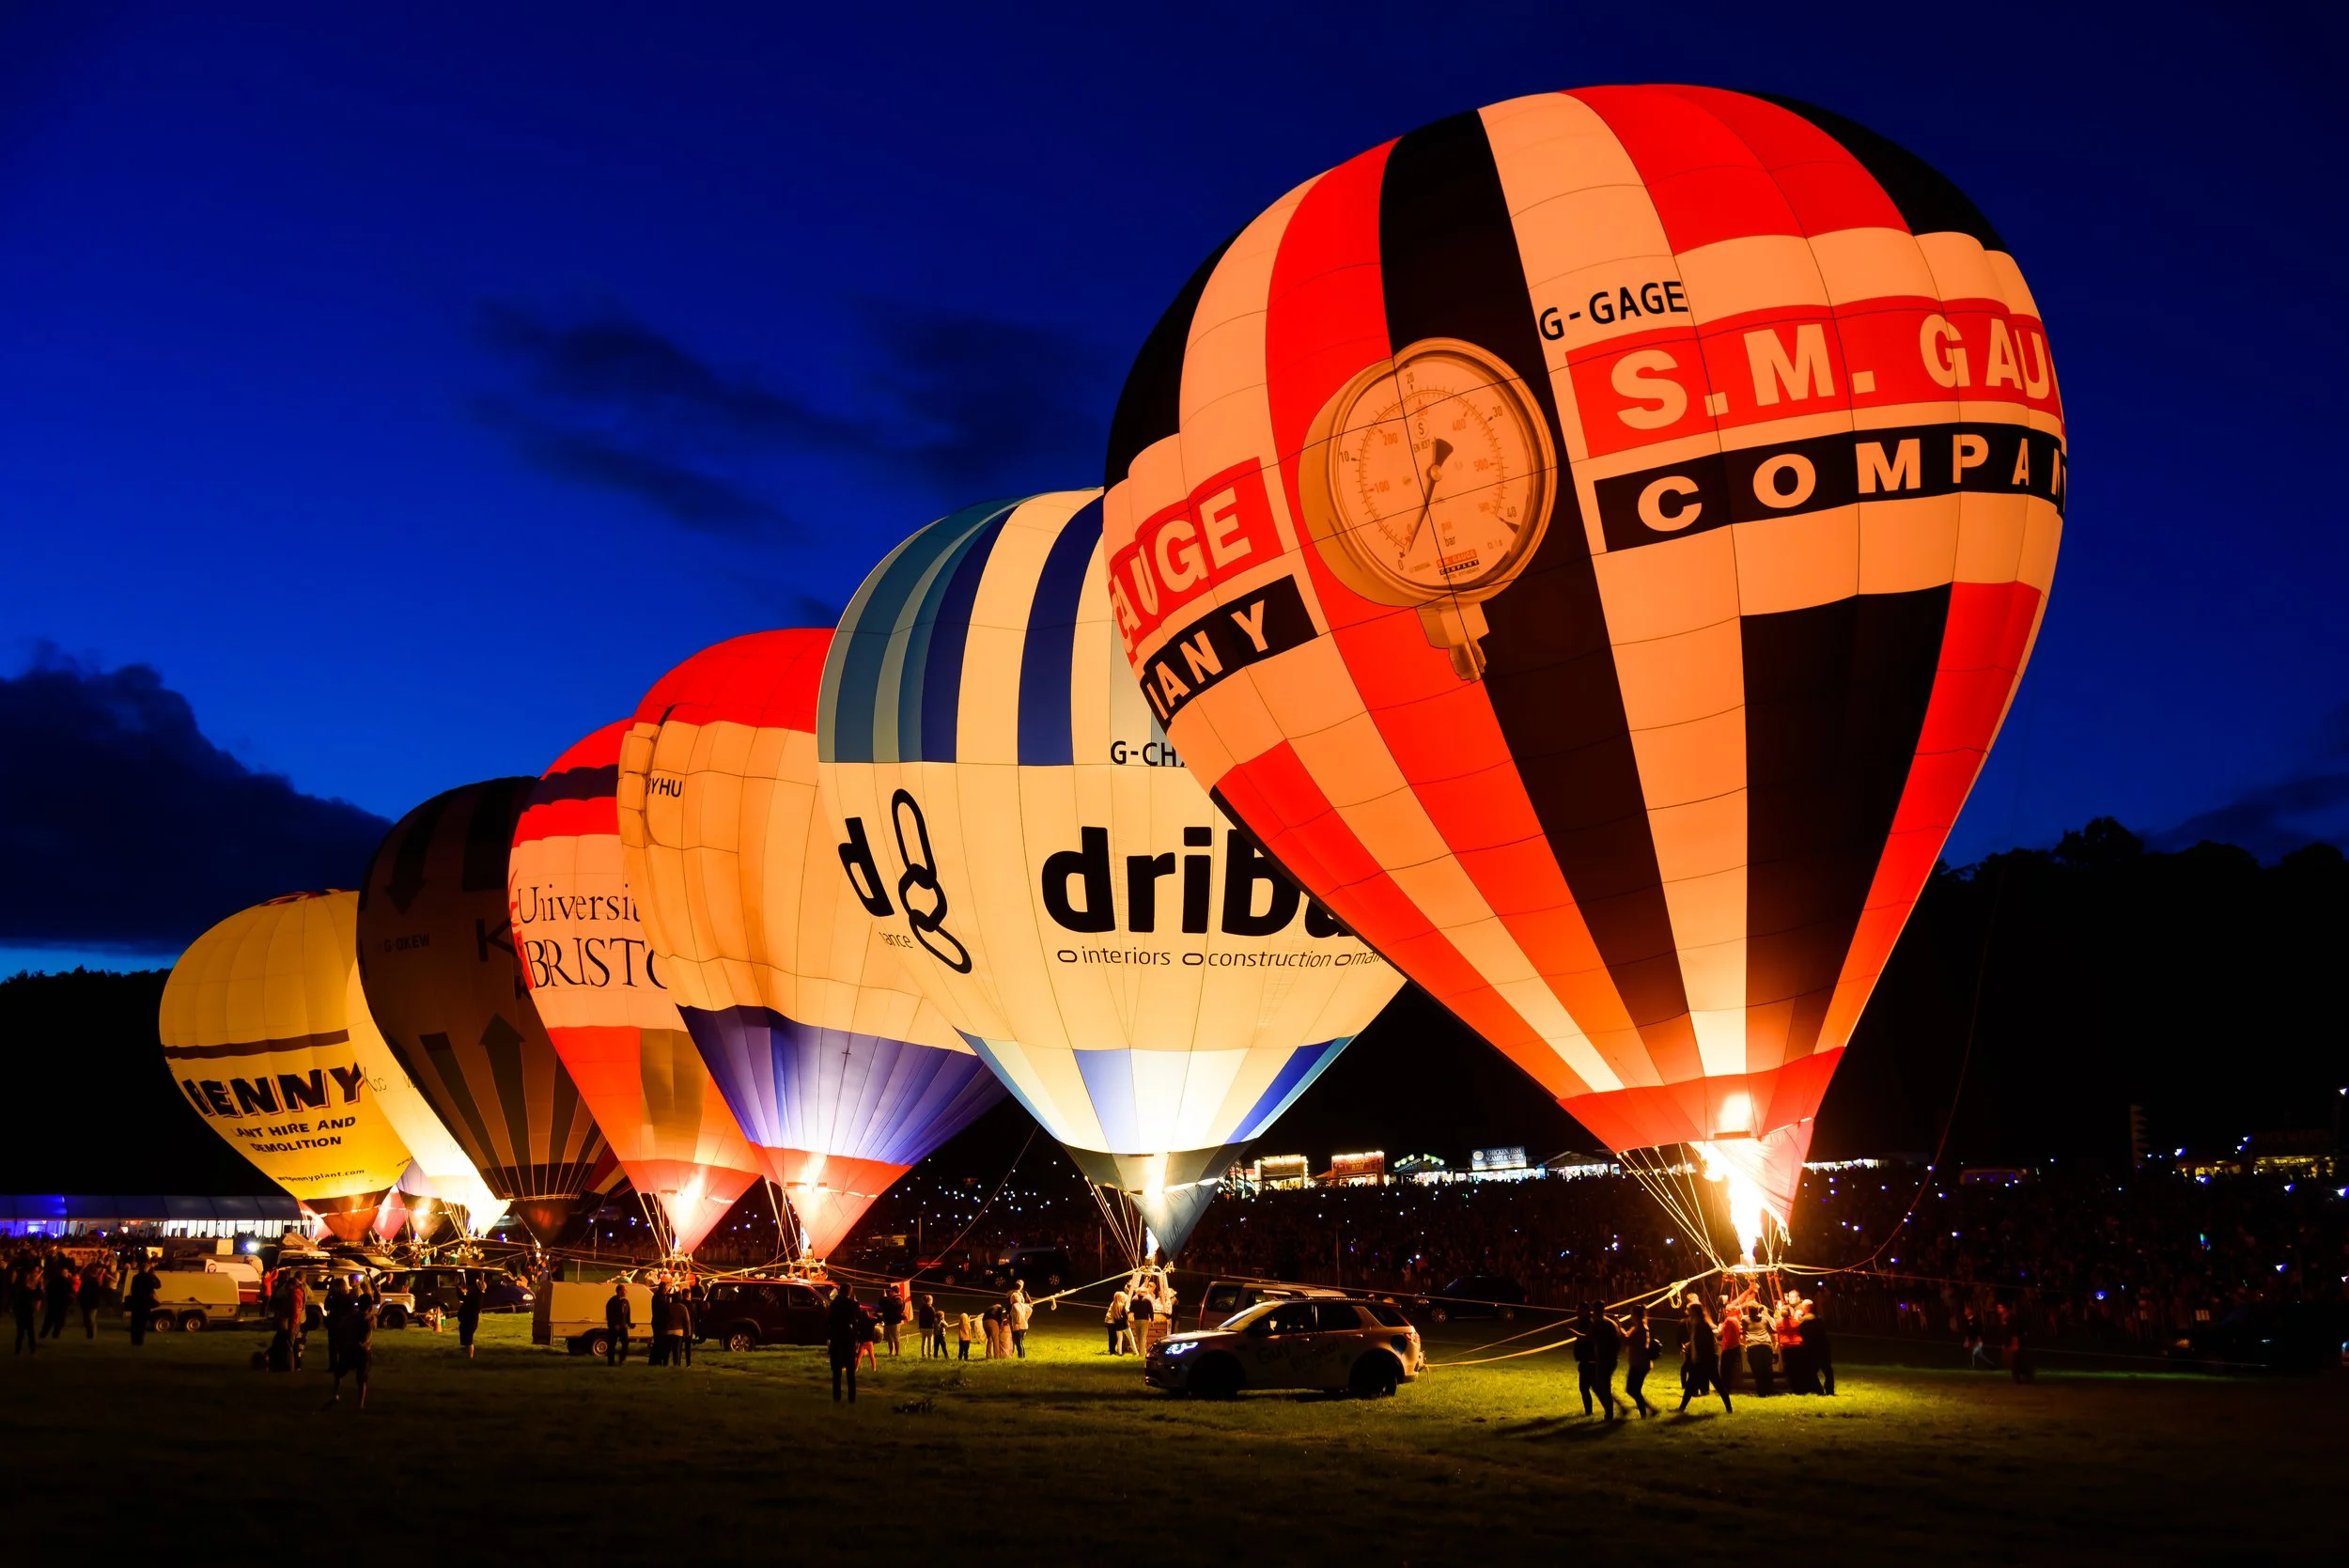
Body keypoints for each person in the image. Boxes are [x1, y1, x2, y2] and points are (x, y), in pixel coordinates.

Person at [1678, 1291, 1729, 1413]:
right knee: (1690, 1386)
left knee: (1718, 1385)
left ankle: (1729, 1407)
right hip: (1699, 1361)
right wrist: (1690, 1345)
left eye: (1689, 1310)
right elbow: (1697, 1341)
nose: (1687, 1311)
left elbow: (1706, 1343)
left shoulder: (1703, 1325)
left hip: (1705, 1361)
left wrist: (1700, 1357)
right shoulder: (1696, 1324)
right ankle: (1681, 1409)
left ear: (1694, 1312)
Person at [327, 1289, 374, 1409]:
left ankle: (335, 1394)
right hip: (362, 1351)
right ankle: (360, 1403)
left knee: (339, 1374)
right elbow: (366, 1336)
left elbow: (341, 1327)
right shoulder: (369, 1319)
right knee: (362, 1379)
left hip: (348, 1349)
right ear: (370, 1306)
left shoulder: (351, 1317)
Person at [1574, 1302, 1620, 1421]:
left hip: (1601, 1360)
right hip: (1608, 1359)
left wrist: (1571, 1332)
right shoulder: (1610, 1323)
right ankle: (1611, 1412)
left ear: (1593, 1310)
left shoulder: (1598, 1324)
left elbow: (1585, 1338)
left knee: (1602, 1388)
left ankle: (1610, 1414)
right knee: (1601, 1387)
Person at [826, 1282, 863, 1403]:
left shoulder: (834, 1304)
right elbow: (858, 1319)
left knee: (836, 1372)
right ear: (850, 1292)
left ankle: (836, 1397)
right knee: (850, 1372)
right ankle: (851, 1398)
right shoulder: (854, 1304)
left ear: (840, 1291)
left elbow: (829, 1321)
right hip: (849, 1340)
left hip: (837, 1339)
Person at [1620, 1302, 1657, 1417]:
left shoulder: (1641, 1328)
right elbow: (1628, 1337)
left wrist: (1619, 1328)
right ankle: (1647, 1412)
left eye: (1631, 1314)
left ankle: (1646, 1412)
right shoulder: (1638, 1326)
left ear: (1635, 1315)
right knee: (1634, 1390)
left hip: (1640, 1364)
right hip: (1639, 1363)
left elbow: (1628, 1341)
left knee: (1632, 1390)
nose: (1630, 1316)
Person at [1801, 1294, 1834, 1395]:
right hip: (1823, 1348)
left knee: (1811, 1371)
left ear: (1805, 1308)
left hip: (1812, 1349)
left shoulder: (1804, 1321)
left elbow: (1803, 1334)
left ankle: (1819, 1389)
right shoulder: (1819, 1319)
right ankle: (1829, 1390)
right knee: (1827, 1371)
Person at [126, 1256, 161, 1349]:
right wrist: (154, 1276)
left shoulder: (135, 1277)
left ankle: (134, 1340)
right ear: (147, 1269)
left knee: (135, 1322)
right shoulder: (149, 1277)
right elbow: (158, 1285)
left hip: (136, 1302)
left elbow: (133, 1289)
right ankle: (140, 1341)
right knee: (142, 1323)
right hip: (145, 1303)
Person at [1741, 1303, 1775, 1396]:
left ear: (1748, 1310)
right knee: (1767, 1368)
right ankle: (1770, 1390)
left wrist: (1744, 1344)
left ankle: (1761, 1392)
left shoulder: (1745, 1319)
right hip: (1766, 1345)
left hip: (1753, 1346)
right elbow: (1771, 1330)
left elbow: (1743, 1331)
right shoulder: (1764, 1319)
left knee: (1757, 1370)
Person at [10, 1253, 39, 1355]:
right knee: (28, 1330)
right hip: (24, 1306)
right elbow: (33, 1290)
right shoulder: (26, 1276)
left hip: (21, 1306)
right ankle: (30, 1349)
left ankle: (19, 1350)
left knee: (22, 1330)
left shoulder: (19, 1274)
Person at [77, 1255, 111, 1339]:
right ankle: (91, 1335)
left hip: (87, 1302)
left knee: (89, 1319)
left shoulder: (88, 1282)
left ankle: (90, 1335)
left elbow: (82, 1292)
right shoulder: (94, 1282)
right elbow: (98, 1292)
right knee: (91, 1319)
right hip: (92, 1303)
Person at [604, 1280, 632, 1366]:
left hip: (623, 1327)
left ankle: (621, 1360)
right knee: (612, 1345)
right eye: (624, 1290)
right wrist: (614, 1324)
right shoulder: (612, 1301)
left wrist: (629, 1323)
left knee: (625, 1344)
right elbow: (610, 1314)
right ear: (620, 1291)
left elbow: (628, 1314)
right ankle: (611, 1362)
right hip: (614, 1327)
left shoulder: (626, 1302)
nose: (626, 1292)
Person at [646, 1274, 672, 1366]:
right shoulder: (659, 1298)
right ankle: (655, 1361)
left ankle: (654, 1361)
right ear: (662, 1289)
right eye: (665, 1289)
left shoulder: (658, 1295)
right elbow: (662, 1309)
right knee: (659, 1342)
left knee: (658, 1342)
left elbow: (667, 1295)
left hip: (657, 1321)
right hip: (659, 1322)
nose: (666, 1291)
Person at [457, 1273, 484, 1360]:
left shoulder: (476, 1297)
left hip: (470, 1321)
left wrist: (459, 1290)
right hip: (467, 1320)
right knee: (465, 1336)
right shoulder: (476, 1295)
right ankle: (467, 1354)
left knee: (468, 1339)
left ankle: (470, 1356)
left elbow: (464, 1299)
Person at [880, 1281, 907, 1358]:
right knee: (889, 1338)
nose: (889, 1293)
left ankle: (897, 1353)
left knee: (895, 1337)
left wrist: (886, 1298)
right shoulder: (890, 1299)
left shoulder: (899, 1299)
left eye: (891, 1291)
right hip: (888, 1320)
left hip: (895, 1321)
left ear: (894, 1292)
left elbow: (894, 1306)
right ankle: (891, 1352)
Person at [1007, 1281, 1032, 1359]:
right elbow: (1030, 1310)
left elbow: (1017, 1313)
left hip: (1018, 1326)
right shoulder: (1023, 1305)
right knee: (1021, 1342)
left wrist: (1018, 1320)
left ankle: (1020, 1357)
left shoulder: (1014, 1306)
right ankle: (1023, 1357)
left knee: (1018, 1343)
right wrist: (1025, 1318)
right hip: (1024, 1325)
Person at [1105, 1284, 1129, 1355]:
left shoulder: (1117, 1303)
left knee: (1114, 1337)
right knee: (1112, 1337)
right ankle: (1112, 1351)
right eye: (1122, 1297)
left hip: (1112, 1321)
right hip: (1110, 1322)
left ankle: (1112, 1350)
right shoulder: (1116, 1304)